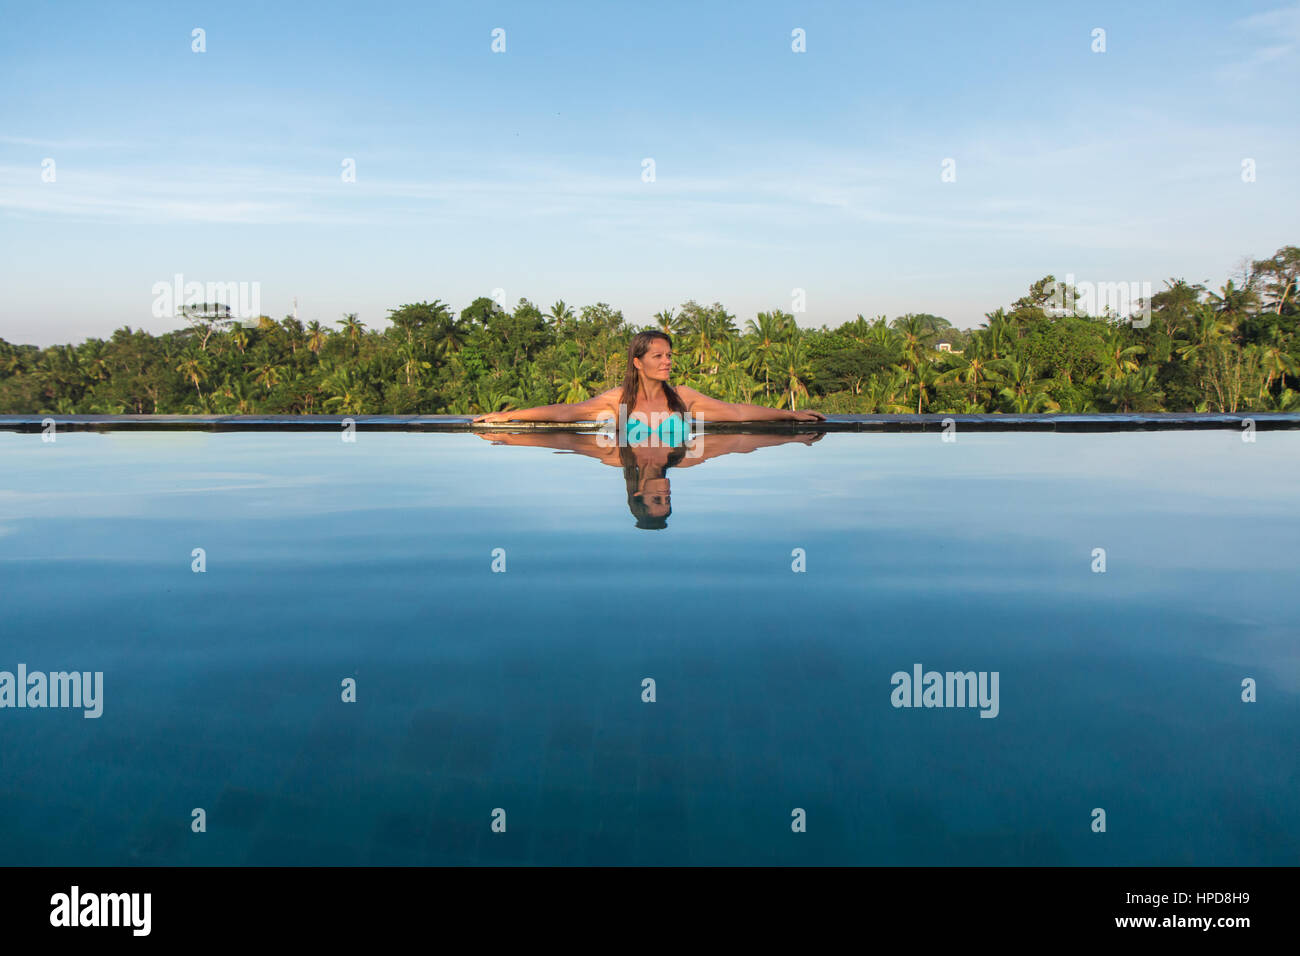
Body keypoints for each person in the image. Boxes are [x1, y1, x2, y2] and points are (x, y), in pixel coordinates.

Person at [470, 330, 826, 426]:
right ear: (638, 362)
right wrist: (508, 417)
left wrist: (791, 416)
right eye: (659, 356)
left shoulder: (683, 397)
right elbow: (565, 412)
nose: (667, 361)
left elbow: (736, 413)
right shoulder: (617, 401)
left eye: (669, 355)